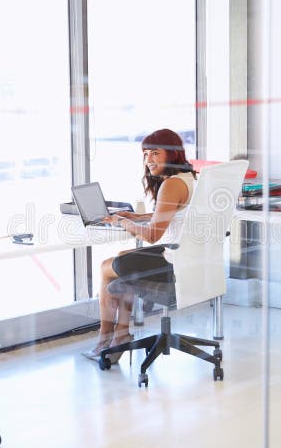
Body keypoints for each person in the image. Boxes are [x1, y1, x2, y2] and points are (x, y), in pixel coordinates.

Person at [81, 129, 197, 361]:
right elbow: (173, 214)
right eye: (145, 155)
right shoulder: (189, 178)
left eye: (155, 153)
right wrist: (138, 218)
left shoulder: (171, 184)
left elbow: (153, 235)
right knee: (124, 259)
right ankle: (120, 336)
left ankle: (106, 338)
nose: (149, 160)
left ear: (172, 154)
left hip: (172, 265)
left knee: (106, 267)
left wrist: (123, 221)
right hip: (188, 260)